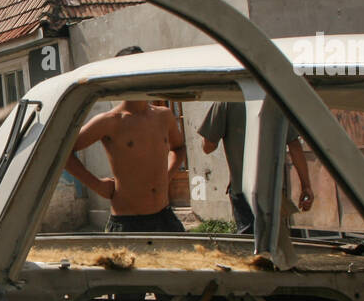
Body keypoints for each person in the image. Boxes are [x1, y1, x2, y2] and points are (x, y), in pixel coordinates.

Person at [65, 98, 188, 233]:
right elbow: (64, 153)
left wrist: (167, 176)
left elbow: (179, 148)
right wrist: (97, 185)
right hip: (128, 222)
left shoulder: (164, 115)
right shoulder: (109, 121)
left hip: (164, 216)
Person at [197, 102, 315, 234]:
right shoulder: (274, 98)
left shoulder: (226, 101)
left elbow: (208, 147)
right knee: (276, 240)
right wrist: (306, 186)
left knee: (249, 243)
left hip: (243, 190)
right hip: (273, 189)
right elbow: (294, 146)